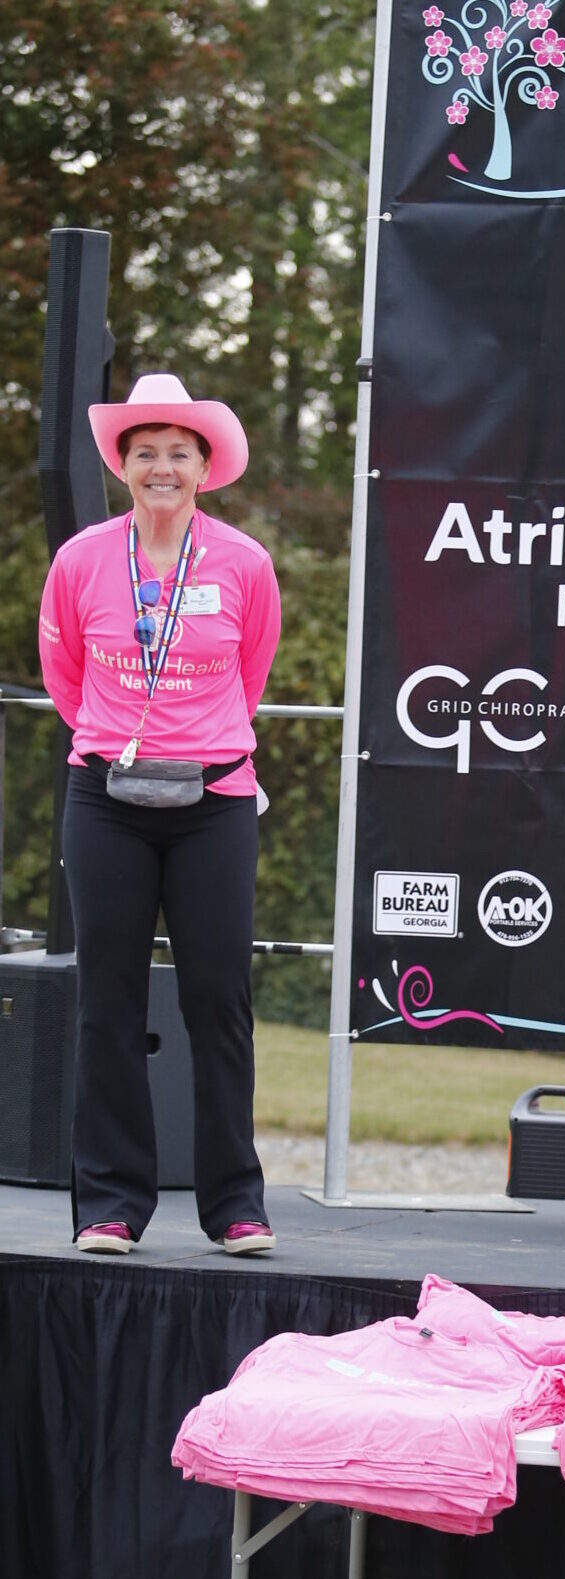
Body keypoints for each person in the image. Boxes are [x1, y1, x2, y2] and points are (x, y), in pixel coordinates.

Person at [38, 374, 282, 1257]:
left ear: (205, 467)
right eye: (146, 452)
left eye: (180, 452)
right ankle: (109, 1205)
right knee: (107, 998)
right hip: (106, 798)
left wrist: (197, 739)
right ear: (124, 466)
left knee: (218, 996)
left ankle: (235, 1206)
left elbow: (249, 673)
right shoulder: (81, 560)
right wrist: (119, 739)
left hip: (214, 798)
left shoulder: (245, 563)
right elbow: (65, 674)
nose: (162, 467)